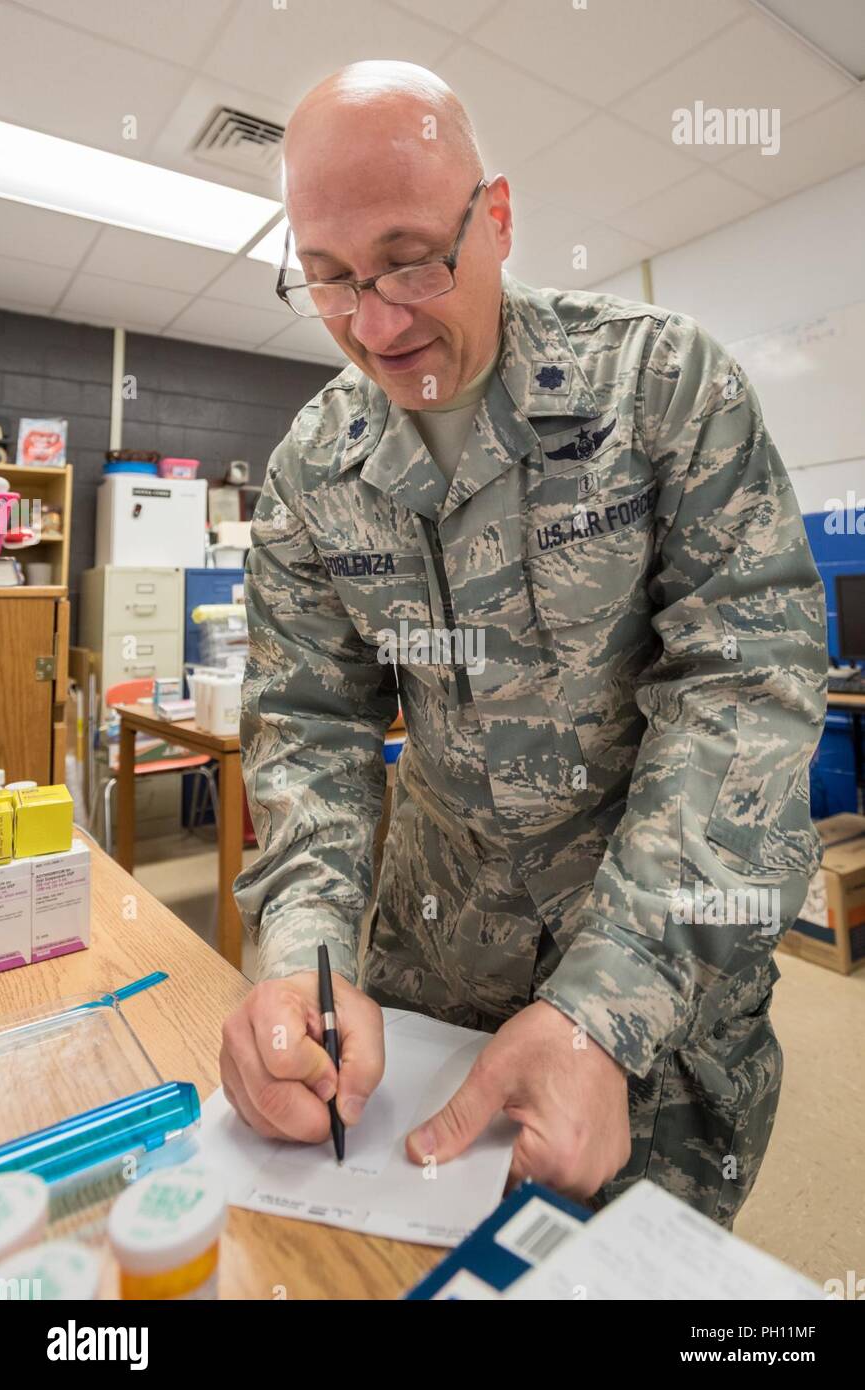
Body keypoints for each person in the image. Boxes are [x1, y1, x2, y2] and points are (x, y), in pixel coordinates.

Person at [222, 60, 826, 1225]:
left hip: (656, 962)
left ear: (493, 218)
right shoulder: (313, 464)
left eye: (410, 258)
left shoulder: (663, 386)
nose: (377, 321)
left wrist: (606, 1004)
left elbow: (743, 692)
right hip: (431, 969)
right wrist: (302, 950)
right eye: (332, 279)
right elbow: (308, 726)